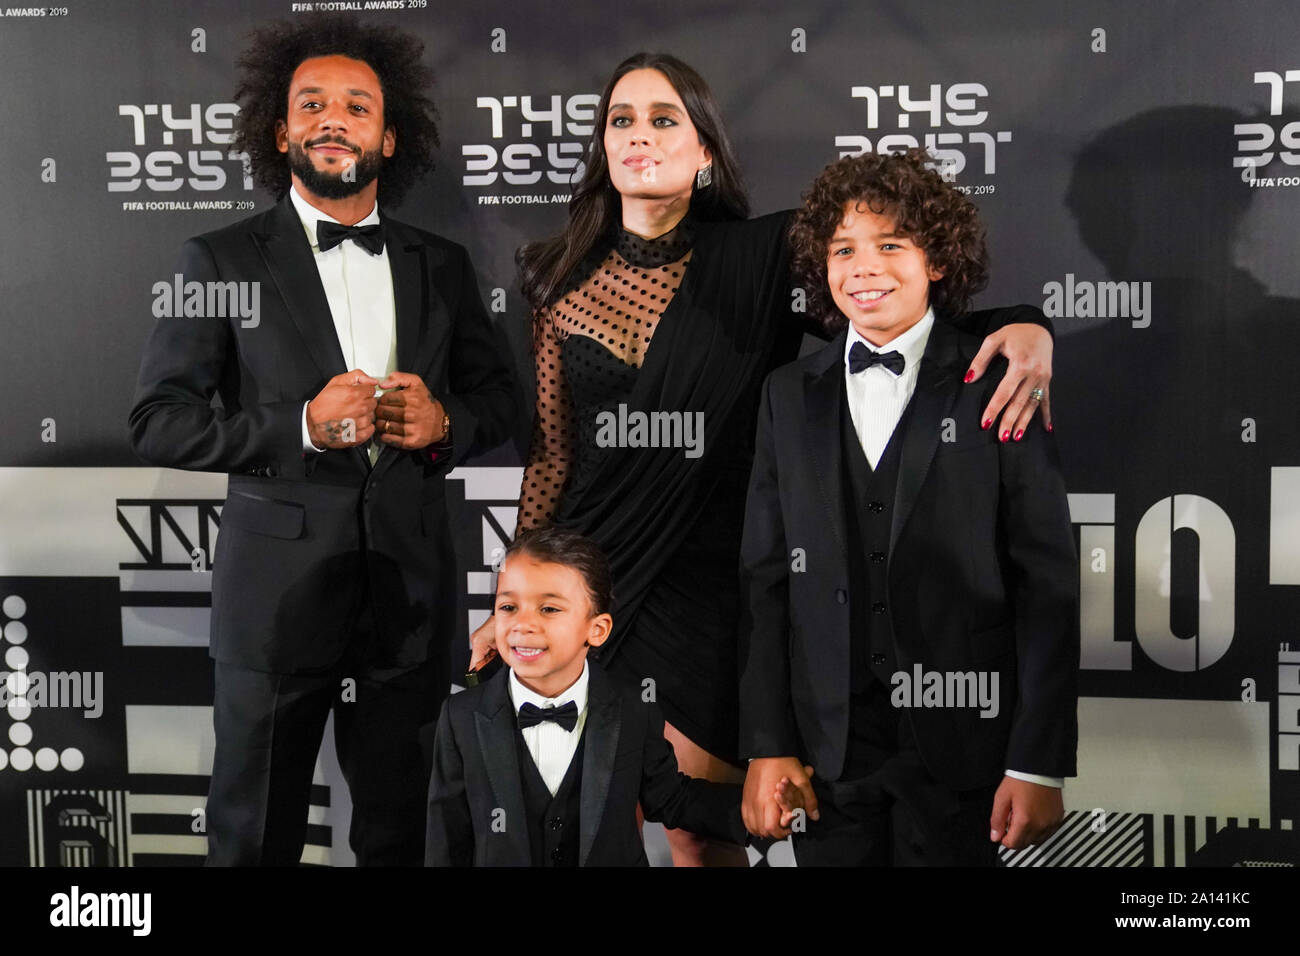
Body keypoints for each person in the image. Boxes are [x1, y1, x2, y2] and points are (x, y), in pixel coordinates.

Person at [470, 52, 1056, 866]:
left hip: (713, 586)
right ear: (602, 145)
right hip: (596, 574)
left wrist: (1031, 324)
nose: (641, 135)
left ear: (705, 151)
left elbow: (894, 310)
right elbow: (552, 459)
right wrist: (521, 595)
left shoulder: (766, 254)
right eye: (621, 120)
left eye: (665, 118)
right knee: (583, 821)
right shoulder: (552, 274)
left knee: (698, 830)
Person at [128, 14, 518, 865]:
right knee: (253, 835)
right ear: (281, 130)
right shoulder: (219, 260)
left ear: (389, 133)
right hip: (275, 604)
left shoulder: (442, 264)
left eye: (355, 105)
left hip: (410, 603)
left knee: (401, 835)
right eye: (312, 104)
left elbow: (505, 406)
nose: (332, 119)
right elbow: (159, 419)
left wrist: (445, 422)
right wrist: (301, 425)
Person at [739, 149, 1079, 865]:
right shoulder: (787, 395)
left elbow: (1046, 581)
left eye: (891, 244)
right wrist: (770, 745)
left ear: (939, 259)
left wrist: (1037, 761)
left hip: (966, 749)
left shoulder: (1001, 376)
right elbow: (766, 582)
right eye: (843, 249)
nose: (864, 267)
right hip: (830, 754)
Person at [426, 527, 799, 866]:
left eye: (549, 608)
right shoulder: (461, 718)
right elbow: (447, 839)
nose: (524, 624)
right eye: (508, 607)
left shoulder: (633, 710)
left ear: (598, 629)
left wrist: (760, 809)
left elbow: (673, 799)